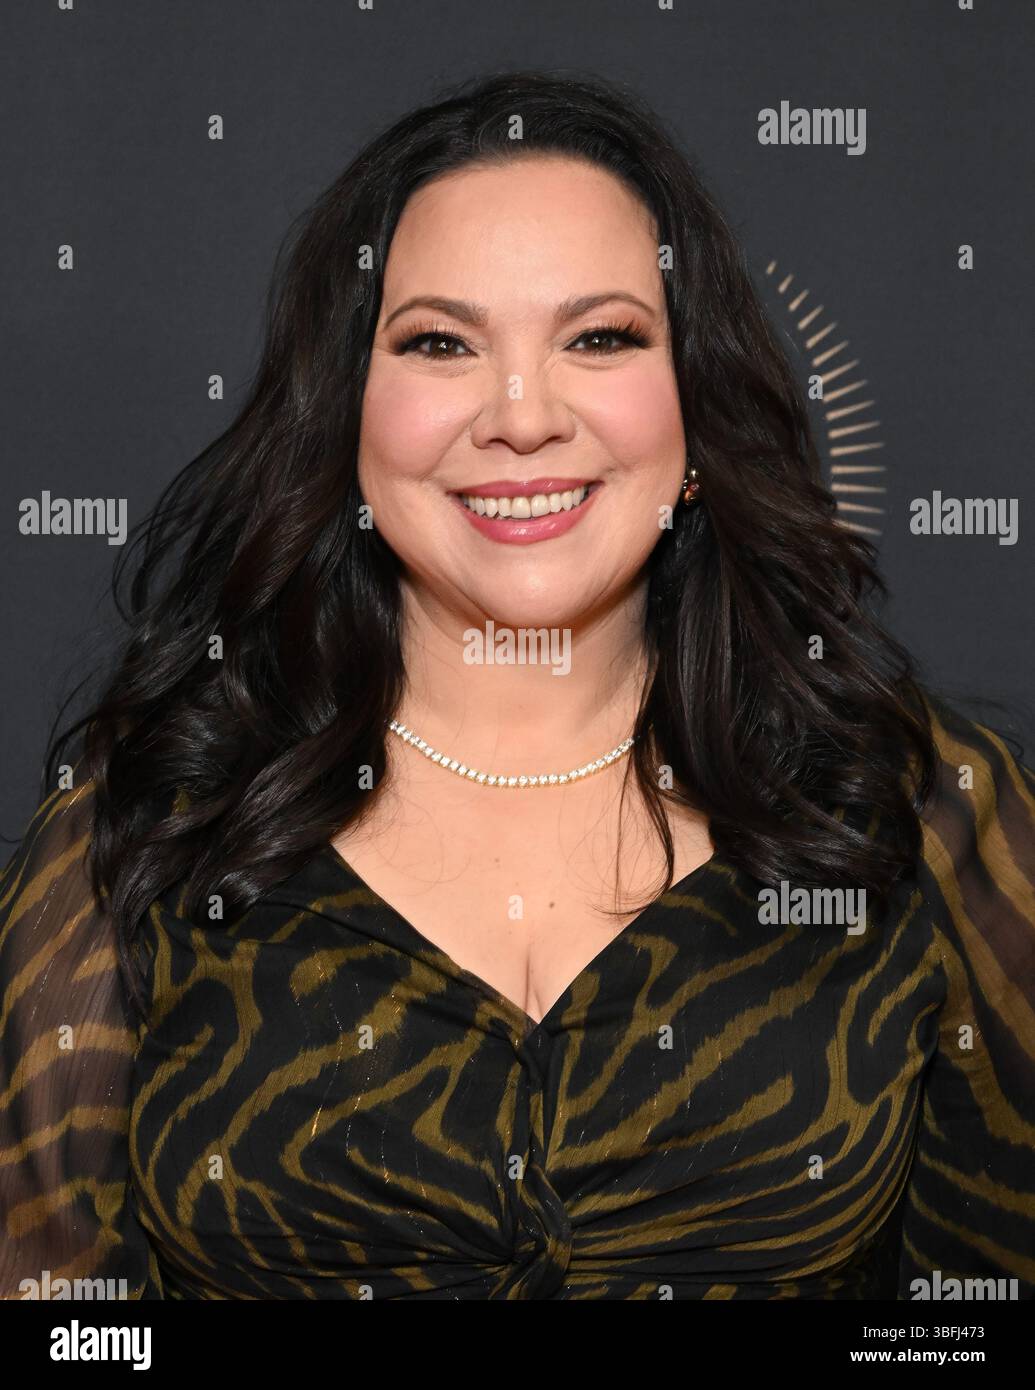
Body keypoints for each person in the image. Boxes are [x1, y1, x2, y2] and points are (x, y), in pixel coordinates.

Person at [2, 70, 1033, 1301]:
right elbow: (61, 1323)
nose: (521, 416)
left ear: (695, 416)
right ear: (348, 420)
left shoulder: (929, 808)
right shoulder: (146, 819)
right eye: (441, 343)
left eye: (599, 337)